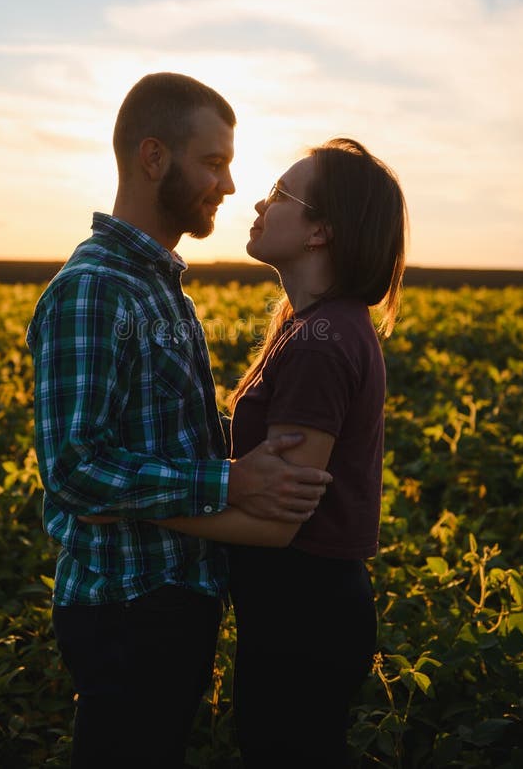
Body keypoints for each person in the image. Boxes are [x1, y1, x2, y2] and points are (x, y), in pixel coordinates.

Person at [26, 72, 330, 769]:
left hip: (167, 605)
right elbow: (74, 470)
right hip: (126, 609)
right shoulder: (95, 289)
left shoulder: (162, 290)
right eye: (213, 162)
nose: (228, 186)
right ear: (153, 158)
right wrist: (228, 484)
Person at [134, 137, 407, 766]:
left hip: (304, 618)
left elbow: (277, 521)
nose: (258, 201)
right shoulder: (318, 324)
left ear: (321, 231)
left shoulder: (320, 342)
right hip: (304, 610)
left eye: (282, 194)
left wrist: (132, 506)